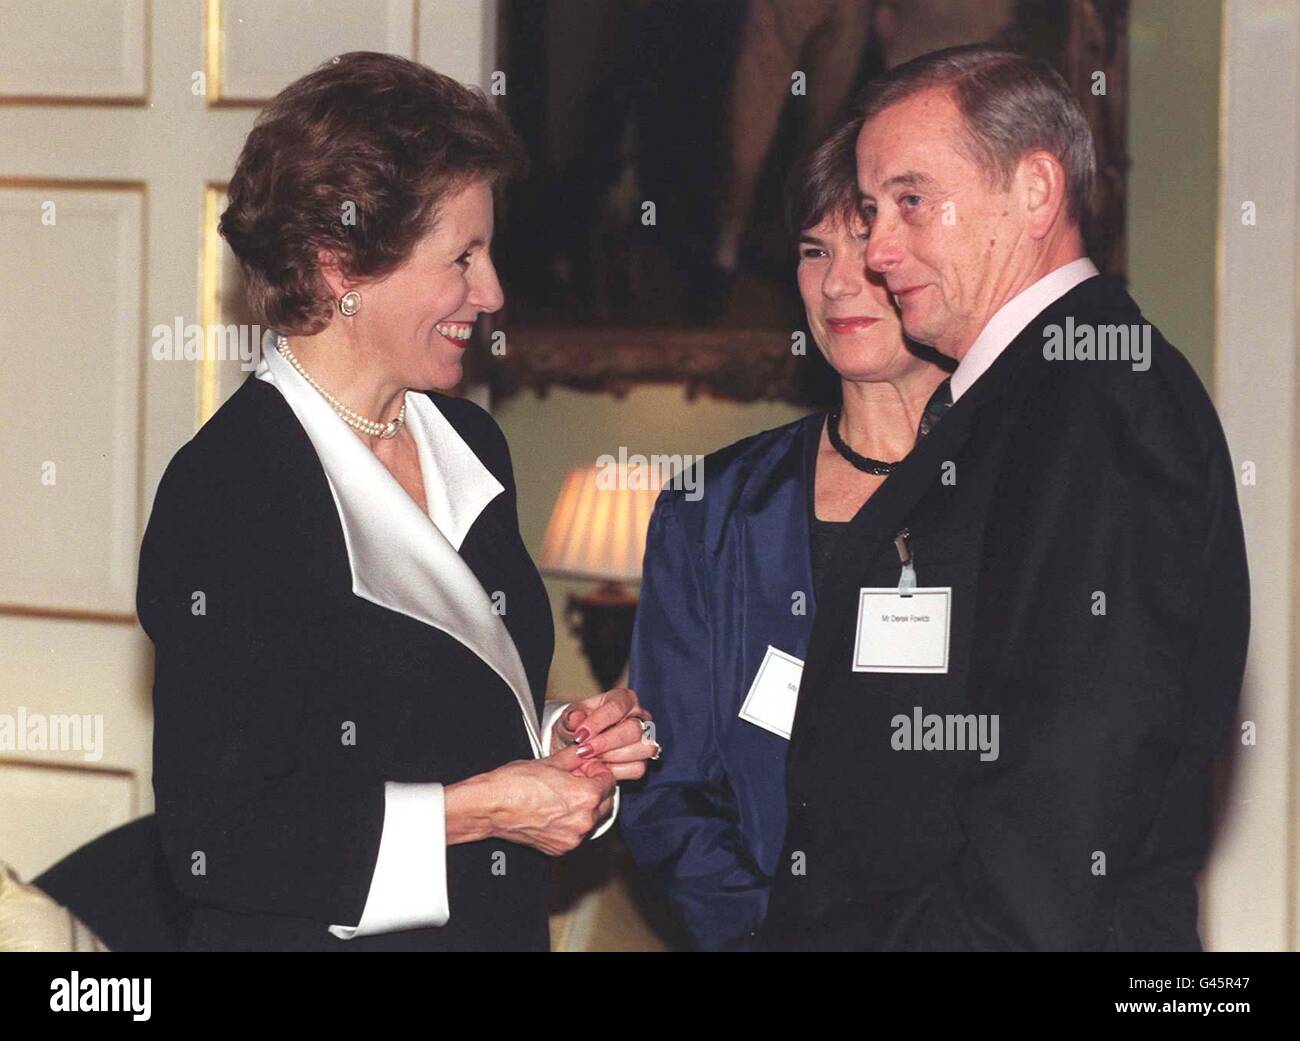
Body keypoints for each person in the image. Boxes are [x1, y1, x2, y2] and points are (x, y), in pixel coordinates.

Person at [137, 52, 655, 951]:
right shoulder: (230, 490)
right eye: (462, 256)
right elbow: (215, 842)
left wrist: (559, 736)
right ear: (343, 266)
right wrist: (482, 809)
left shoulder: (467, 442)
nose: (491, 293)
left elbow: (438, 705)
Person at [760, 44, 1250, 950]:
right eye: (870, 211)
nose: (876, 248)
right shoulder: (1030, 392)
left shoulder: (1098, 398)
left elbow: (1070, 782)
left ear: (1035, 191)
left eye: (910, 201)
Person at [619, 117, 949, 950]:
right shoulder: (715, 508)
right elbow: (670, 787)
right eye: (813, 251)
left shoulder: (1029, 490)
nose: (839, 284)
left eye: (865, 246)